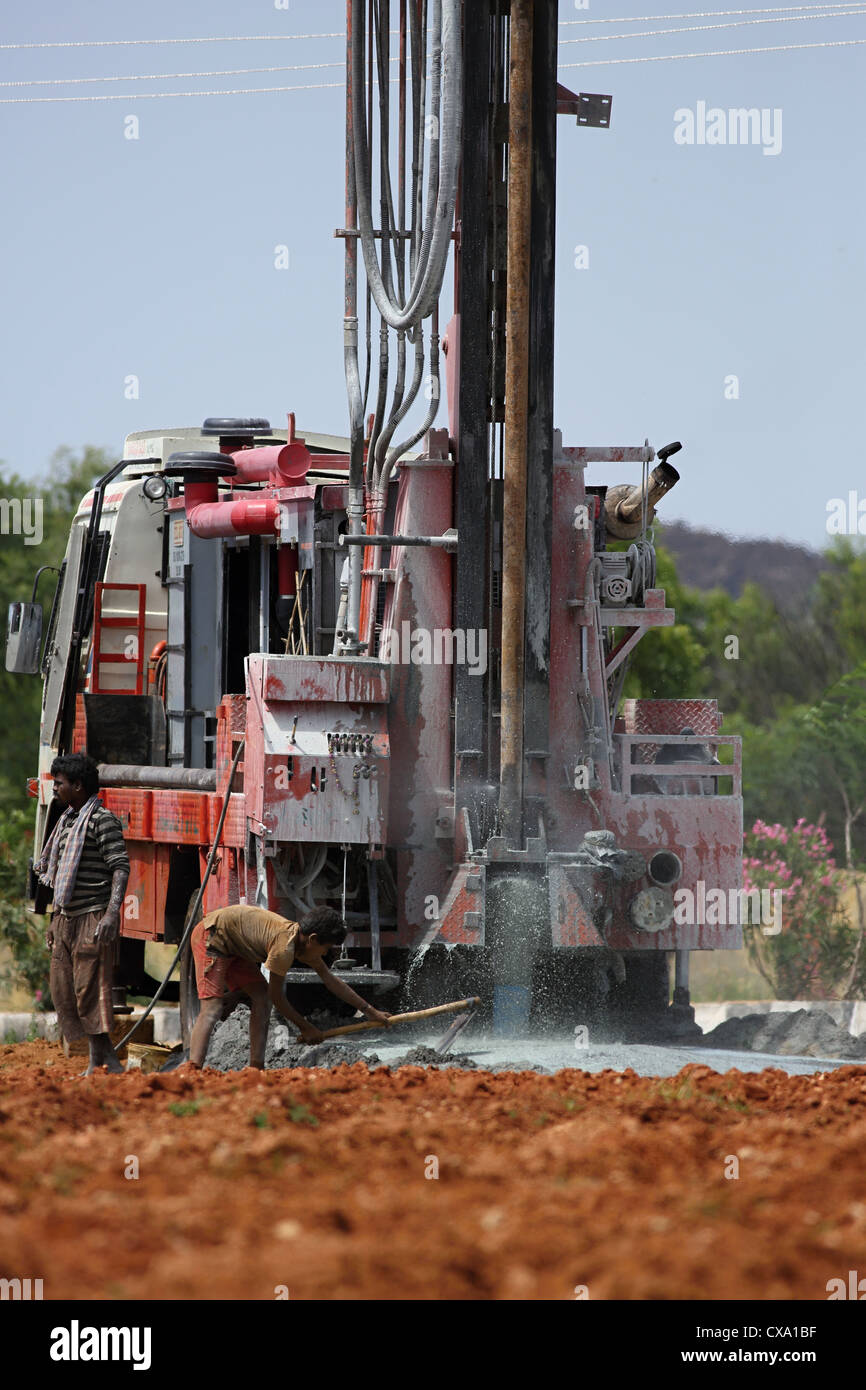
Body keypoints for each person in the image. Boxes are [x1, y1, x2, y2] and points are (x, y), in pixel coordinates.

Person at [187, 903, 391, 1069]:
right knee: (212, 1008)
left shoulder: (303, 944)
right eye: (325, 948)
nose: (323, 955)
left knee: (261, 998)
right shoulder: (284, 947)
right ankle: (193, 1069)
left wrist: (370, 1011)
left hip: (236, 947)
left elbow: (331, 981)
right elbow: (278, 997)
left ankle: (255, 1068)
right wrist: (307, 1027)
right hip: (213, 937)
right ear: (312, 939)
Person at [36, 753, 130, 1076]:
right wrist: (54, 918)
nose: (56, 789)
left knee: (90, 991)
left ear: (77, 786)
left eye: (60, 784)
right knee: (65, 991)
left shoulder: (102, 820)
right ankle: (107, 1060)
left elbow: (120, 867)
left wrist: (111, 914)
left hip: (91, 917)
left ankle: (99, 1062)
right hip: (66, 919)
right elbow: (60, 874)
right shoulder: (66, 822)